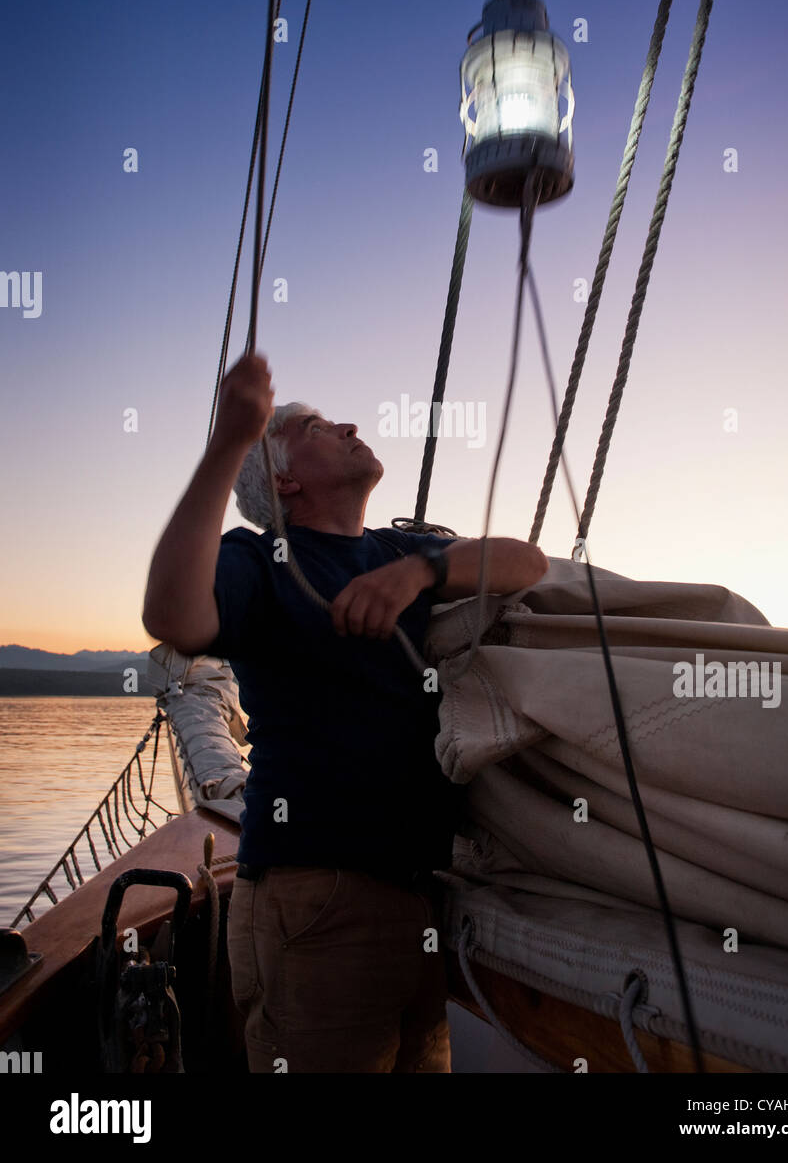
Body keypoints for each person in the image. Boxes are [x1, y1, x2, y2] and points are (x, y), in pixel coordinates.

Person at [142, 352, 548, 1073]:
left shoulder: (400, 551)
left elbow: (529, 562)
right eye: (318, 427)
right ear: (285, 480)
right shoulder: (262, 559)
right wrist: (230, 442)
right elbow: (171, 612)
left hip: (417, 901)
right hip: (316, 900)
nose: (351, 425)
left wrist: (421, 569)